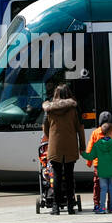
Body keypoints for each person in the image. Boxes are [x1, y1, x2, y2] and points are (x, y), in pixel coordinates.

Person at [41, 83, 86, 216]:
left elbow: (45, 129)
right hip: (70, 146)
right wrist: (82, 147)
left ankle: (55, 206)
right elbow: (80, 129)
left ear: (56, 94)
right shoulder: (74, 109)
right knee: (69, 175)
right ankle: (71, 206)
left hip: (55, 146)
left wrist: (53, 138)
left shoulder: (49, 110)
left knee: (56, 176)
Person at [84, 121, 112, 215]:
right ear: (111, 133)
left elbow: (90, 154)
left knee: (102, 189)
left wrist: (83, 154)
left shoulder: (97, 144)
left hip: (101, 171)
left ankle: (101, 207)